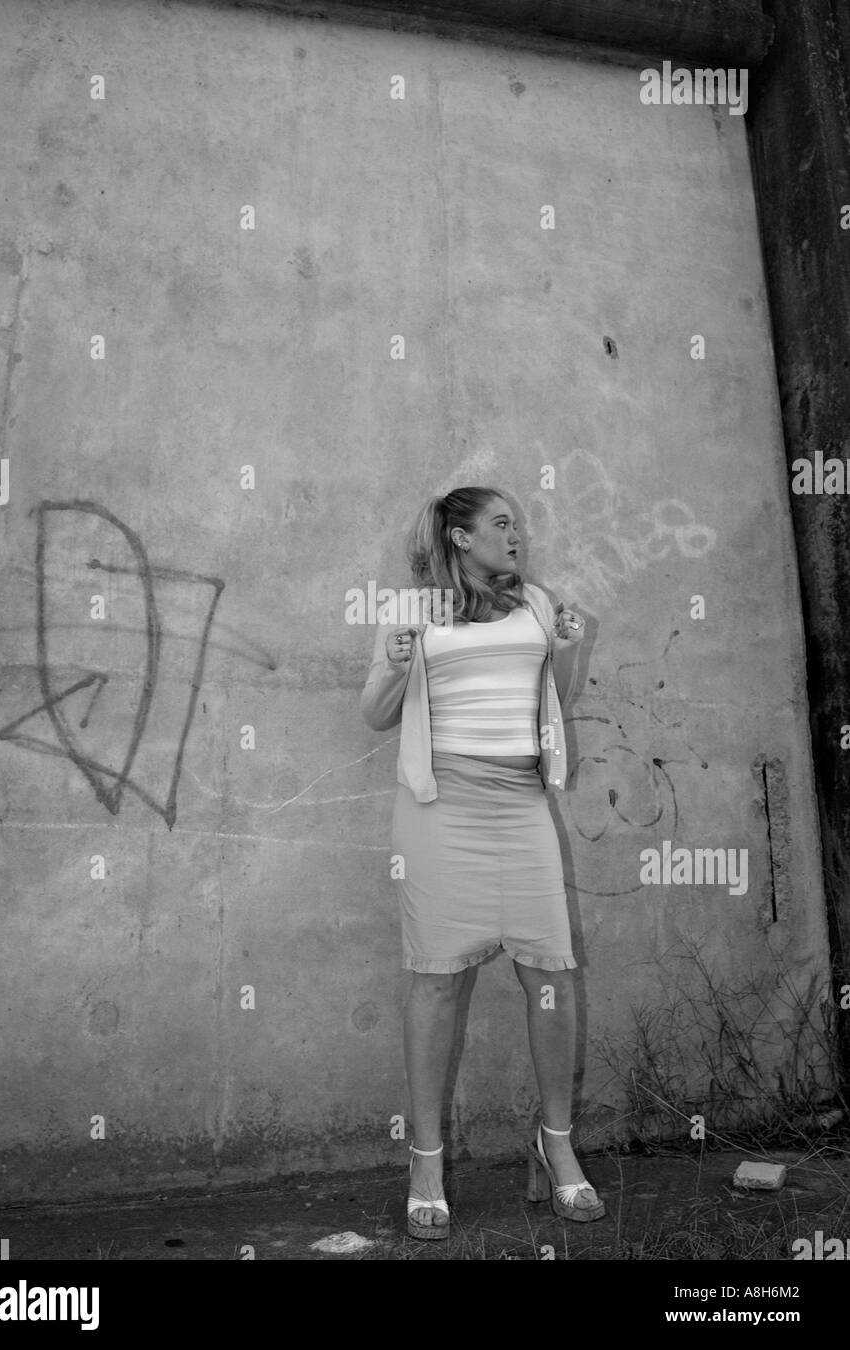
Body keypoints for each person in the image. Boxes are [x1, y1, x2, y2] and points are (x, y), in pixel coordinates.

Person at [360, 486, 605, 1240]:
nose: (515, 534)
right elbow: (373, 712)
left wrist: (565, 650)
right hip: (442, 811)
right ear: (461, 539)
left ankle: (556, 1147)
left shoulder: (536, 603)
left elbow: (554, 702)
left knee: (552, 978)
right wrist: (399, 664)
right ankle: (426, 1161)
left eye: (516, 524)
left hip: (521, 805)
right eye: (501, 524)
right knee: (436, 983)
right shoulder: (411, 611)